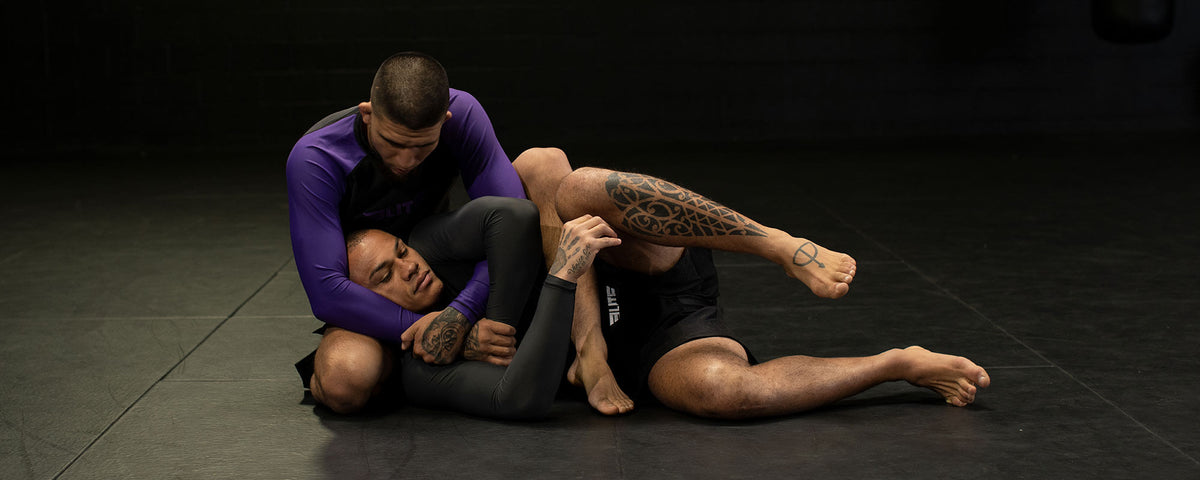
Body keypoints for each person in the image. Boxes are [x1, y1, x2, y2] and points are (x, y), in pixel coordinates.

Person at [512, 150, 992, 419]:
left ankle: (777, 243)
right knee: (727, 391)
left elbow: (542, 163)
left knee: (567, 181)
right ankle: (894, 364)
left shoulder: (478, 209)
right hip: (637, 350)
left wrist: (590, 345)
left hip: (641, 272)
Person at [286, 52, 553, 380]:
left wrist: (462, 311)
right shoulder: (317, 157)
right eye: (393, 143)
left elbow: (513, 228)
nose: (406, 161)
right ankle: (413, 362)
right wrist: (454, 335)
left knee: (543, 165)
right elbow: (327, 293)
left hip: (436, 260)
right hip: (372, 291)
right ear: (367, 114)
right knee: (346, 380)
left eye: (422, 146)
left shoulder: (463, 114)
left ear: (445, 120)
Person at [301, 196, 621, 417]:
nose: (409, 267)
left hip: (618, 259)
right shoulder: (421, 367)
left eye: (402, 251)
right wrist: (562, 276)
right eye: (386, 276)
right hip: (631, 351)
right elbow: (520, 399)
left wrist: (491, 320)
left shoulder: (429, 246)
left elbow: (514, 215)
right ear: (368, 303)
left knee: (548, 164)